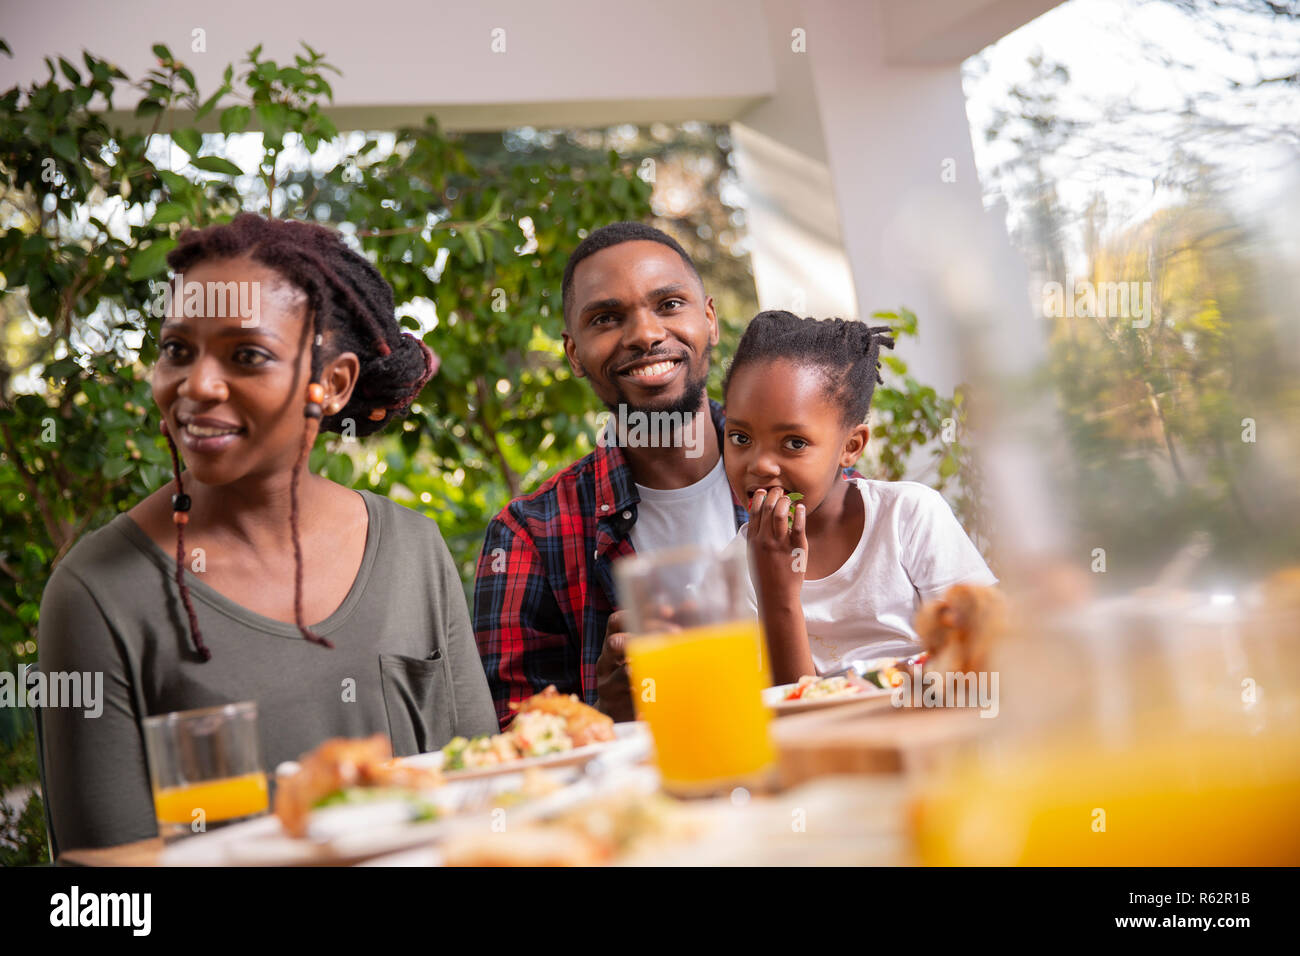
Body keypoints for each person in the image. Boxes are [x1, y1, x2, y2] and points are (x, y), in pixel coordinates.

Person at [36, 214, 498, 854]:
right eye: (176, 350)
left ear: (332, 385)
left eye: (246, 354)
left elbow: (482, 792)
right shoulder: (97, 592)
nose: (196, 385)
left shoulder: (412, 549)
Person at [472, 222, 752, 726]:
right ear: (574, 353)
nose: (645, 335)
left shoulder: (800, 476)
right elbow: (512, 743)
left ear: (710, 319)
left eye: (669, 305)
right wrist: (612, 712)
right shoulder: (528, 535)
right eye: (606, 318)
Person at [720, 311, 997, 684]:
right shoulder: (734, 569)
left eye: (794, 443)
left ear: (850, 447)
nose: (761, 465)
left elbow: (991, 644)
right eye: (740, 438)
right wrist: (777, 595)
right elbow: (794, 710)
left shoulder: (907, 516)